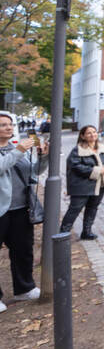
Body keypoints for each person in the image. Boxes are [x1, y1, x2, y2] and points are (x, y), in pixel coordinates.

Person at [0, 112, 46, 312]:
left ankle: (24, 288)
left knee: (23, 250)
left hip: (20, 208)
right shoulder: (17, 149)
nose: (8, 128)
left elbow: (33, 172)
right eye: (3, 125)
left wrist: (44, 156)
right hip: (1, 211)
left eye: (10, 124)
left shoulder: (15, 148)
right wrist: (19, 150)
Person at [61, 125, 104, 240]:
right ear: (82, 136)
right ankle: (62, 235)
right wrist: (97, 170)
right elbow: (75, 166)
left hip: (99, 184)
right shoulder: (77, 150)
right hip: (82, 186)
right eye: (89, 133)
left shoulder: (103, 148)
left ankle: (86, 232)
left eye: (94, 132)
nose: (92, 135)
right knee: (74, 209)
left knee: (92, 207)